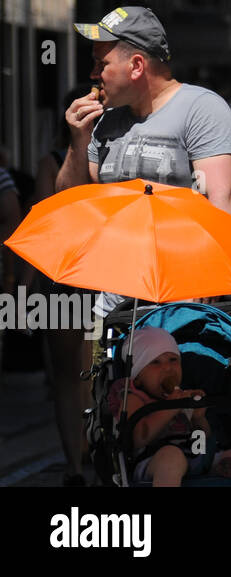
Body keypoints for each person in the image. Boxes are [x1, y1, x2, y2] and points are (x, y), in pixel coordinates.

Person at [57, 7, 231, 319]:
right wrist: (78, 140)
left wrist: (206, 278)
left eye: (101, 64)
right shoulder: (104, 123)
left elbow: (222, 199)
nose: (92, 75)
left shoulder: (201, 109)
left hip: (183, 299)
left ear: (137, 66)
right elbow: (69, 202)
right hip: (114, 305)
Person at [19, 89, 94, 485]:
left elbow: (40, 223)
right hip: (90, 270)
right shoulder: (110, 160)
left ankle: (75, 465)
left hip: (63, 272)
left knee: (68, 375)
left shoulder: (50, 164)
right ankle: (87, 455)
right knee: (87, 370)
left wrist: (26, 288)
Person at [109, 327, 231, 486]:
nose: (167, 367)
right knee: (171, 458)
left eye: (173, 359)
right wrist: (170, 407)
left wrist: (199, 418)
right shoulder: (133, 396)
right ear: (137, 376)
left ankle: (222, 464)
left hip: (192, 456)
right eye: (155, 363)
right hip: (153, 461)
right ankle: (215, 466)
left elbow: (201, 441)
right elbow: (139, 437)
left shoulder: (180, 396)